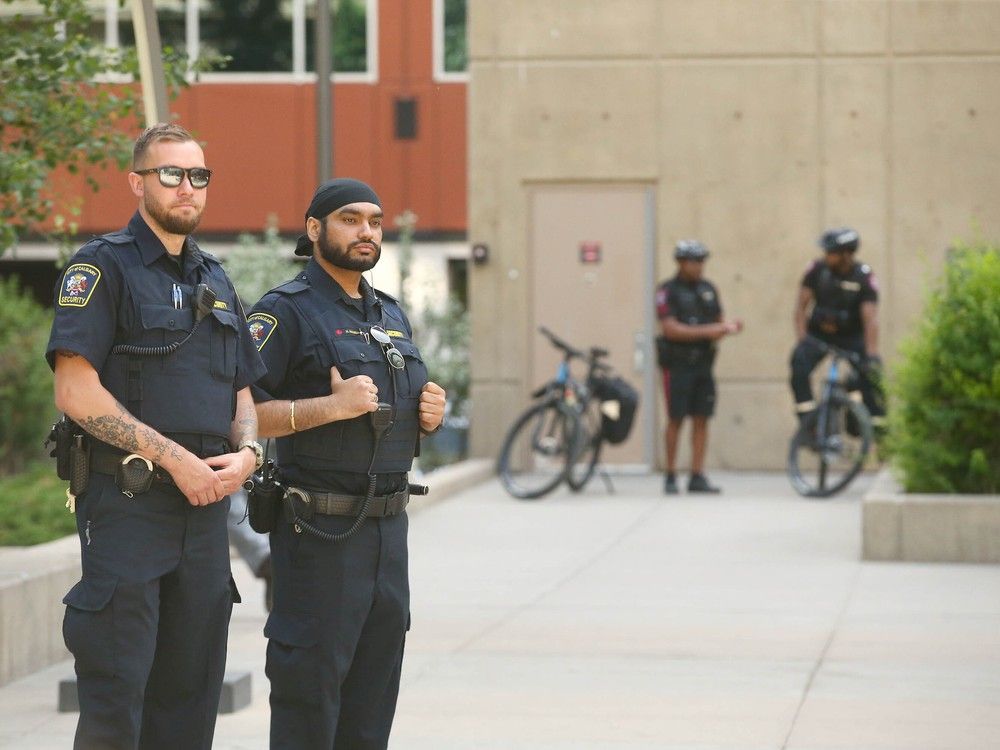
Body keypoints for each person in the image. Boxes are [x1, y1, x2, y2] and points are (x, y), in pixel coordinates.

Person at [46, 123, 266, 749]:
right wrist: (175, 461)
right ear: (137, 182)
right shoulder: (102, 266)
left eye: (199, 176)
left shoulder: (216, 279)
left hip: (203, 516)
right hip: (128, 507)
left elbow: (242, 390)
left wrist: (250, 453)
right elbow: (76, 391)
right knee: (118, 700)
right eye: (171, 174)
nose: (187, 187)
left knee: (190, 703)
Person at [247, 178, 446, 748]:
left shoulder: (391, 315)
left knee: (371, 705)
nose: (366, 231)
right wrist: (328, 408)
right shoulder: (284, 313)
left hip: (388, 532)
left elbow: (389, 416)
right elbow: (239, 416)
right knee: (309, 699)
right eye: (351, 219)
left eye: (376, 221)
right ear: (314, 230)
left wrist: (425, 412)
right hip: (319, 533)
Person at [655, 240, 743, 494]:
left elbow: (717, 323)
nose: (698, 267)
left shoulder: (708, 289)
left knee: (702, 418)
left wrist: (728, 328)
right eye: (694, 261)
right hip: (677, 364)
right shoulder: (667, 290)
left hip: (703, 363)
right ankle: (671, 474)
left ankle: (697, 474)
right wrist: (712, 330)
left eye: (702, 261)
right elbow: (671, 329)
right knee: (676, 418)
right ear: (681, 263)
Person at [790, 227, 885, 432]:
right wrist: (802, 340)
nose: (826, 256)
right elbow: (800, 309)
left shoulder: (863, 277)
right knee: (798, 363)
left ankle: (879, 437)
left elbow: (870, 320)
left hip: (851, 336)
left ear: (846, 254)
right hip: (819, 334)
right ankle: (809, 425)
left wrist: (871, 355)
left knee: (874, 379)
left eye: (831, 252)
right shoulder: (816, 269)